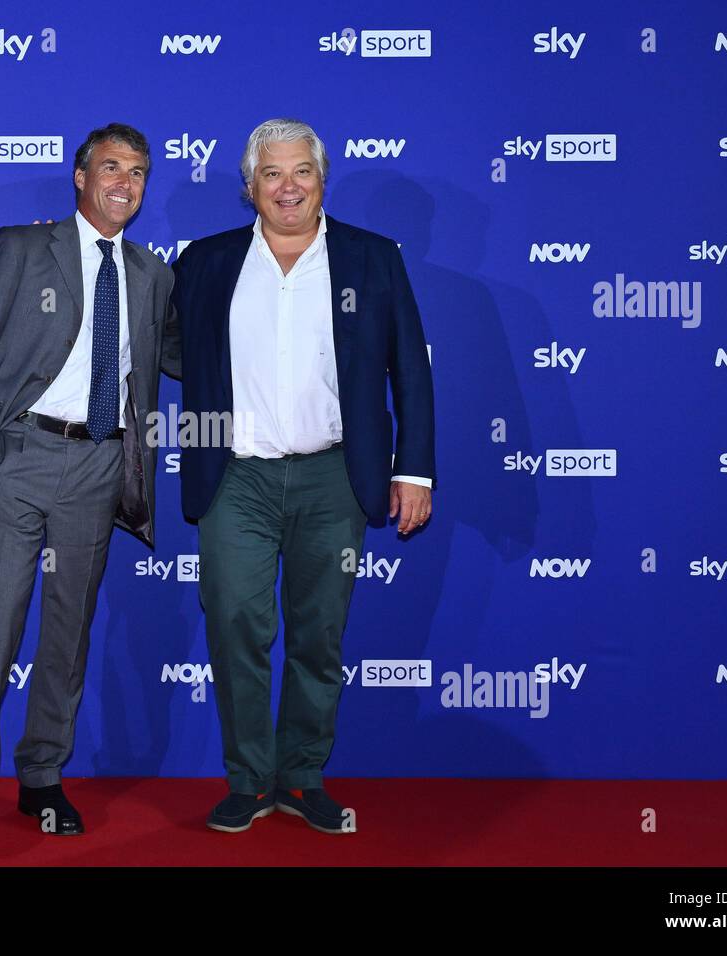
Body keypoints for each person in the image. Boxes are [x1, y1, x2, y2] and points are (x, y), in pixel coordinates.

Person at [170, 118, 435, 834]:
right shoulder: (205, 261)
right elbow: (171, 352)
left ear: (322, 181)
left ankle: (302, 777)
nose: (288, 188)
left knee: (320, 633)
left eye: (302, 173)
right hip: (235, 478)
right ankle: (249, 781)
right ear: (248, 187)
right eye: (272, 175)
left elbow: (409, 367)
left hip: (333, 477)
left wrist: (414, 470)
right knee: (235, 628)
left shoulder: (373, 259)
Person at [0, 123, 180, 857]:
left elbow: (178, 353)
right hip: (20, 457)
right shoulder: (20, 246)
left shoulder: (150, 272)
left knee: (68, 629)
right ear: (80, 176)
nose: (124, 184)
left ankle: (42, 773)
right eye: (111, 168)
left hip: (100, 465)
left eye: (137, 172)